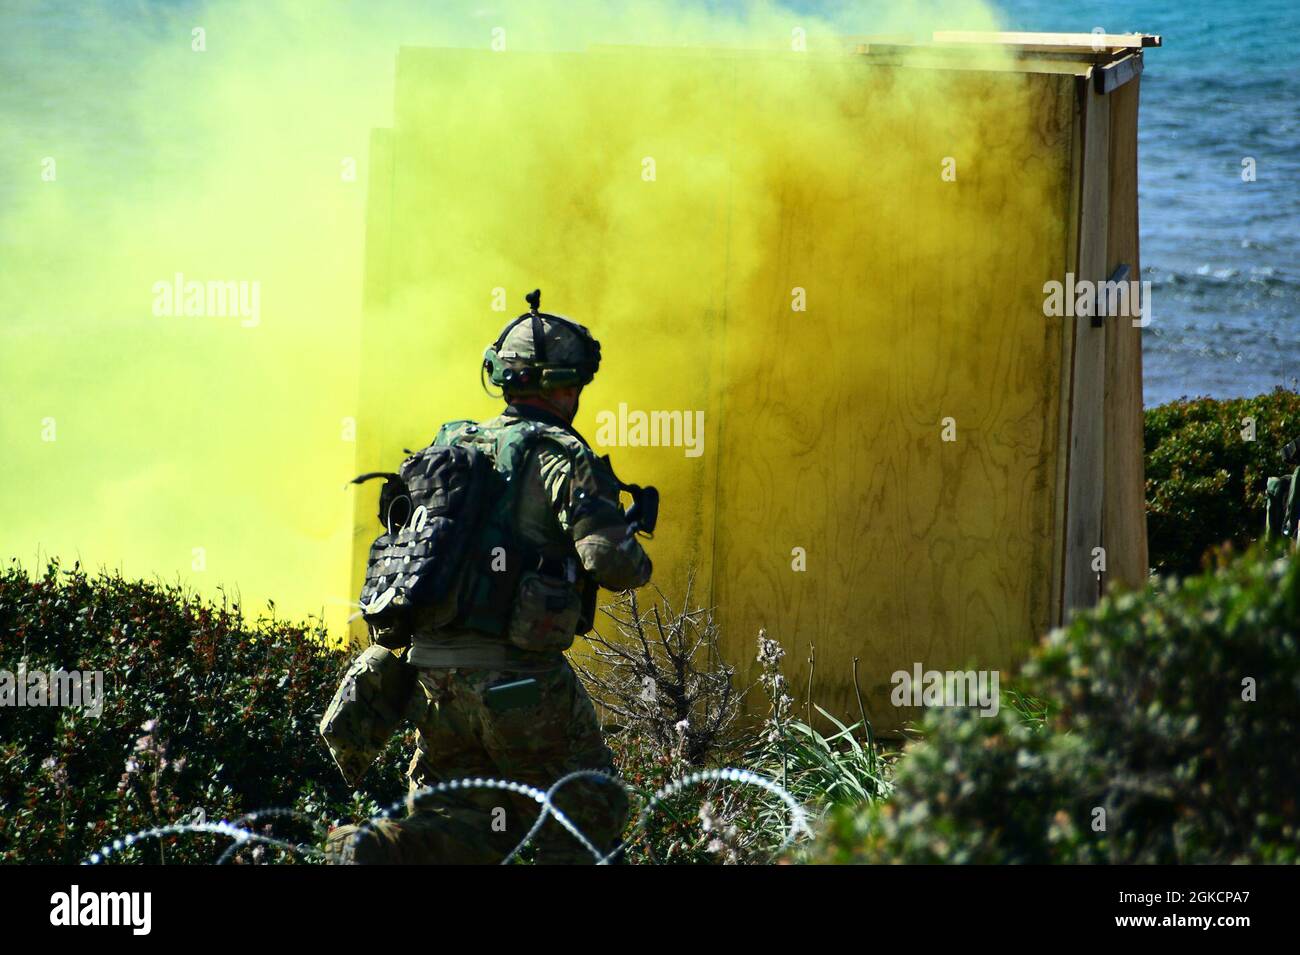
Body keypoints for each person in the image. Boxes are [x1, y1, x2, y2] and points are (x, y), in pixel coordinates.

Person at [326, 291, 652, 864]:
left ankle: (385, 848)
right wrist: (632, 545)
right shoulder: (561, 455)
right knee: (587, 817)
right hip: (519, 682)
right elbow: (609, 561)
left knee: (464, 821)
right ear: (562, 386)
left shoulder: (451, 445)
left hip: (430, 676)